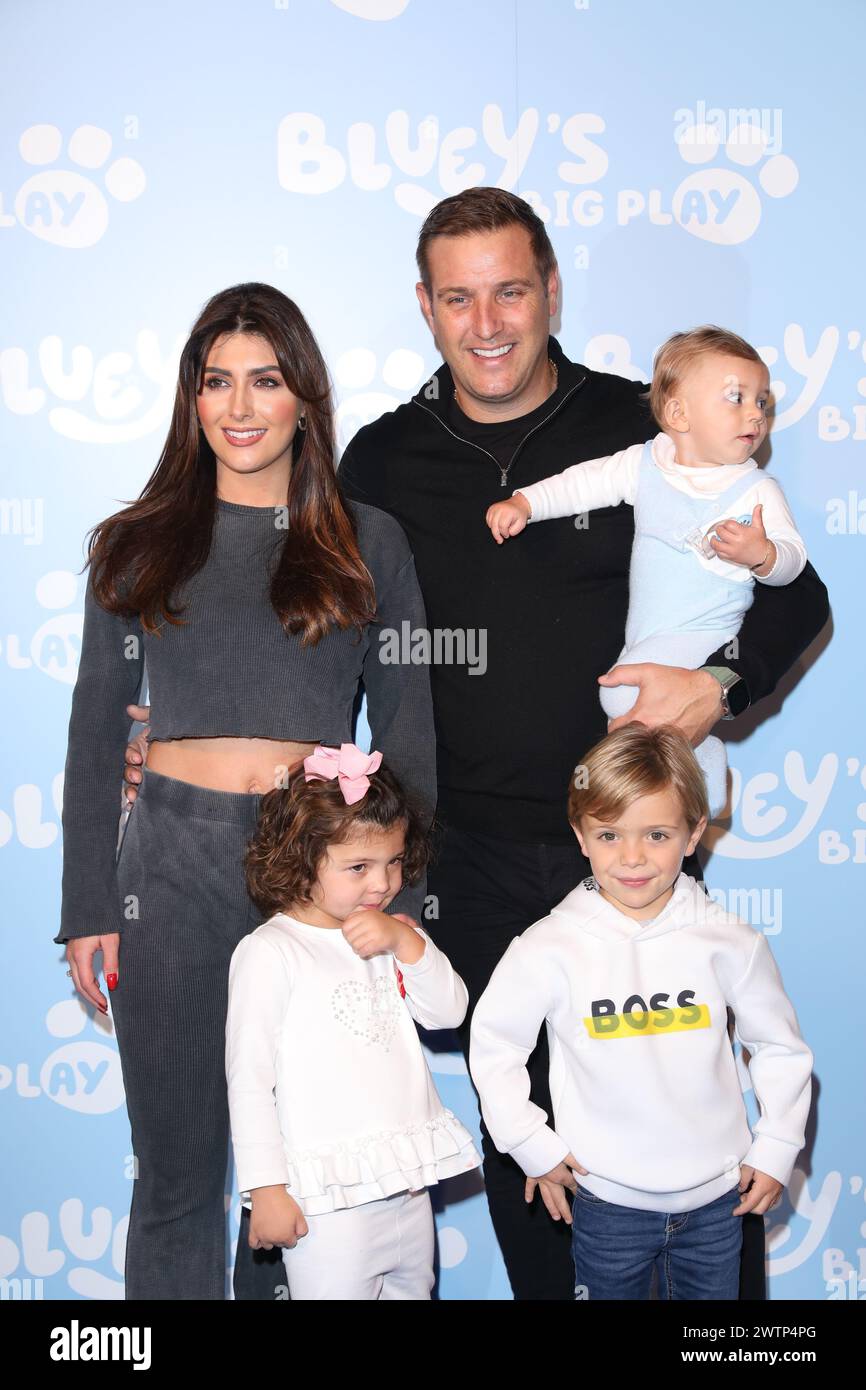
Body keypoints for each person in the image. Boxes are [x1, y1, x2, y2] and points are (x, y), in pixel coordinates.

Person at [123, 189, 830, 1300]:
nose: (486, 321)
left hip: (624, 847)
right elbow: (291, 612)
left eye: (509, 290)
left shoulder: (641, 430)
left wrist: (716, 684)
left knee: (684, 1132)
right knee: (526, 1139)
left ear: (550, 290)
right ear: (423, 306)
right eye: (457, 297)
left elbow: (795, 599)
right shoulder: (385, 461)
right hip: (471, 862)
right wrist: (165, 728)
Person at [55, 282, 436, 1301]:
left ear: (303, 396)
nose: (238, 405)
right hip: (166, 868)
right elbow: (97, 731)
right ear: (190, 400)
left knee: (293, 1172)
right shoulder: (135, 541)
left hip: (308, 874)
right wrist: (90, 904)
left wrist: (395, 895)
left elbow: (406, 732)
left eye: (264, 380)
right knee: (175, 1175)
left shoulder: (369, 541)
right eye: (214, 381)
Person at [469, 722, 812, 1301]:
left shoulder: (729, 940)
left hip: (718, 1202)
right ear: (579, 836)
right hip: (606, 1203)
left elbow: (779, 1047)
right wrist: (532, 1145)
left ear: (694, 831)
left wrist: (777, 1146)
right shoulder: (547, 947)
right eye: (608, 835)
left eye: (656, 834)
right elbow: (494, 1047)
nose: (632, 857)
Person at [485, 325, 807, 819]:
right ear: (679, 413)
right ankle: (694, 770)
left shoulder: (756, 489)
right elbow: (585, 484)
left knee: (620, 701)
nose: (755, 415)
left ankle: (697, 783)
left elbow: (794, 567)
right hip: (648, 633)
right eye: (736, 398)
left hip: (707, 632)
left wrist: (763, 555)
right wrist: (527, 501)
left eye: (761, 401)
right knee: (624, 696)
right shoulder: (648, 462)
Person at [226, 744, 480, 1300]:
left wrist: (410, 943)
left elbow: (449, 1012)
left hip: (405, 1185)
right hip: (326, 1199)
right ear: (299, 859)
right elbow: (249, 1080)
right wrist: (266, 1188)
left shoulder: (390, 934)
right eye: (358, 867)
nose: (382, 883)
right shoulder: (270, 951)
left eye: (392, 862)